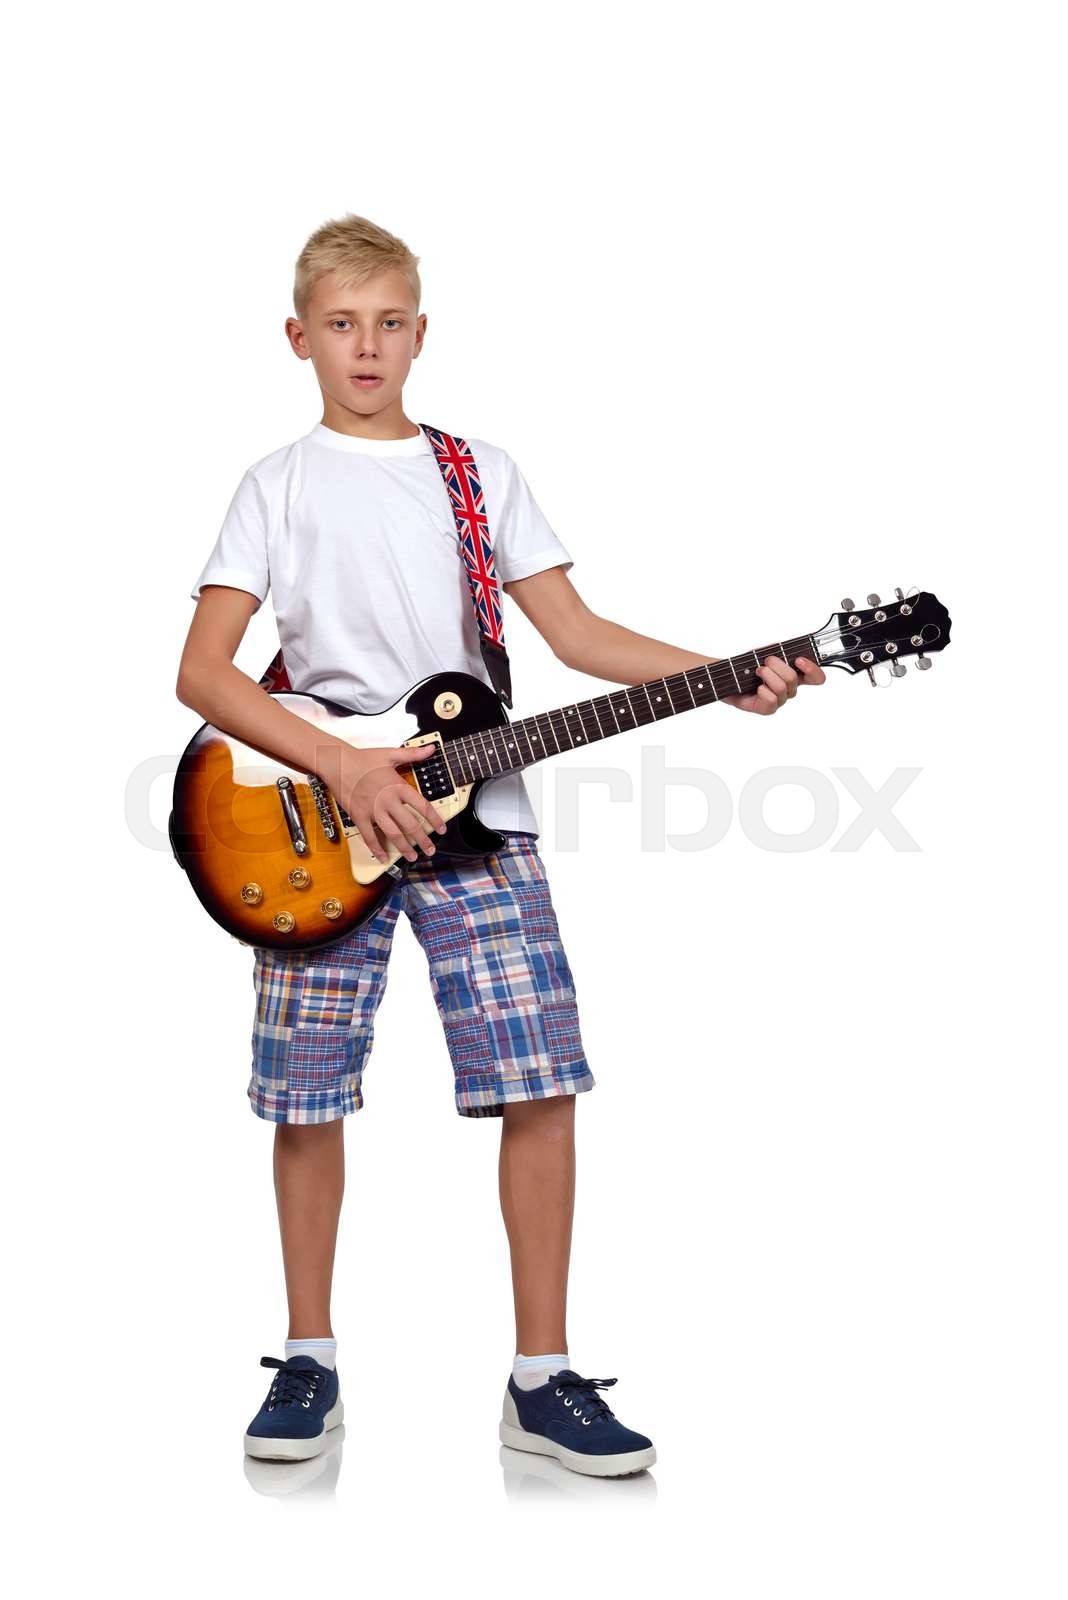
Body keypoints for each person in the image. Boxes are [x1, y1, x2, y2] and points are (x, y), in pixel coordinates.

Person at [175, 212, 826, 1479]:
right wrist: (348, 765)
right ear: (299, 339)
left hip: (485, 823)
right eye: (344, 324)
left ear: (424, 331)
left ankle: (542, 1376)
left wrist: (728, 672)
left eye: (392, 321)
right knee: (308, 1099)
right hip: (321, 829)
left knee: (539, 1080)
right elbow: (203, 672)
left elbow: (575, 635)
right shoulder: (277, 482)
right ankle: (308, 1356)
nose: (369, 346)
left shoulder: (478, 472)